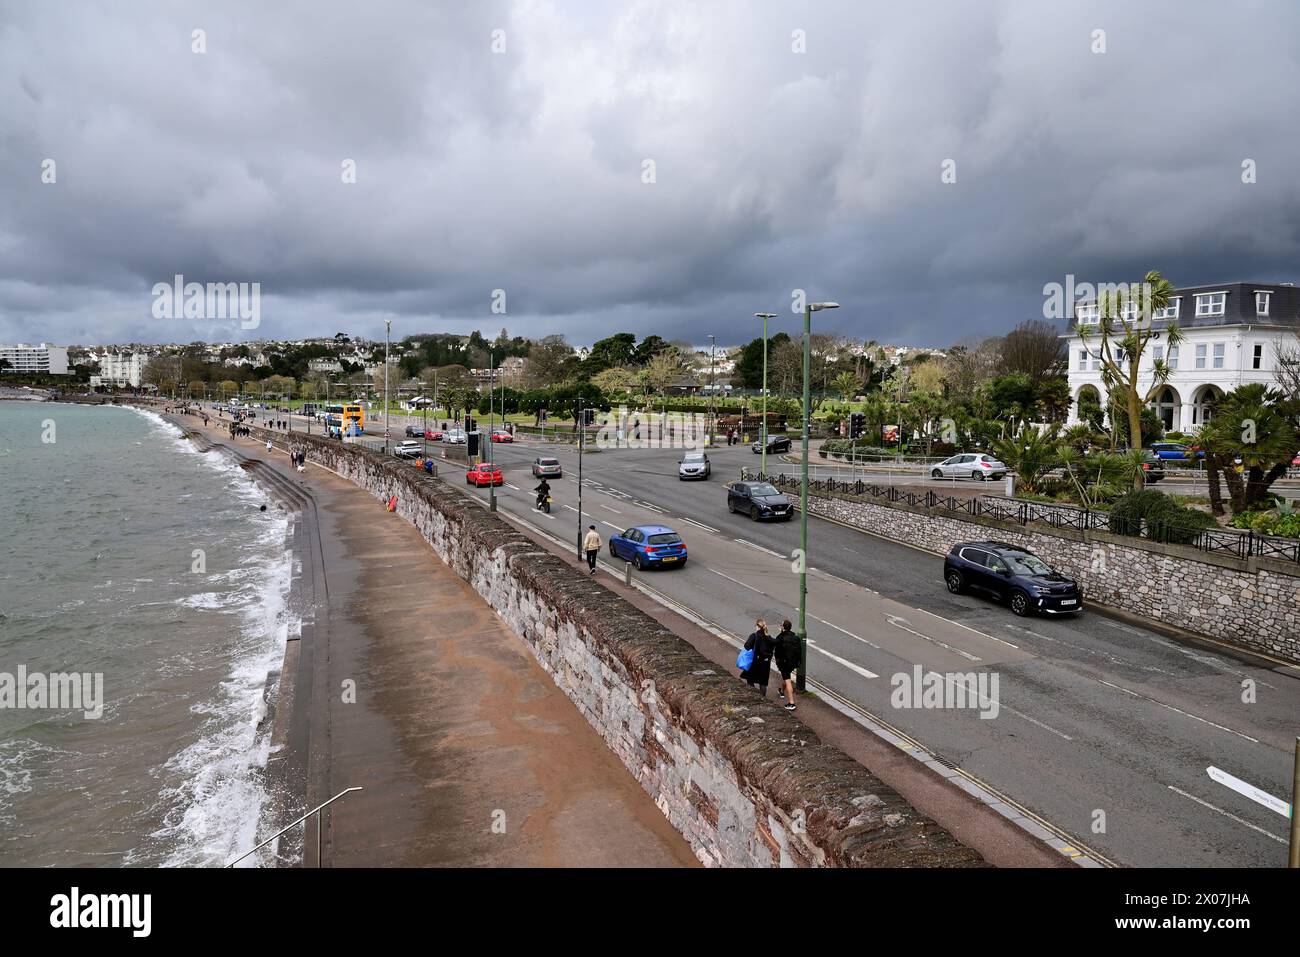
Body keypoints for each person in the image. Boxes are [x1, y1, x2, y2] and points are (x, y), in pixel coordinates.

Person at [740, 619, 774, 697]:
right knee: (763, 682)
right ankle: (763, 698)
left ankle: (754, 695)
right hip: (766, 663)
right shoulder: (769, 637)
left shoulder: (754, 636)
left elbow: (747, 646)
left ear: (758, 626)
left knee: (749, 678)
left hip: (755, 662)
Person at [773, 619, 800, 711]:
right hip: (793, 663)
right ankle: (781, 691)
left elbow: (777, 652)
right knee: (786, 676)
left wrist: (778, 661)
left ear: (783, 627)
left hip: (784, 663)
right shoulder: (795, 637)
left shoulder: (780, 637)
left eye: (781, 625)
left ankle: (791, 703)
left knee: (788, 680)